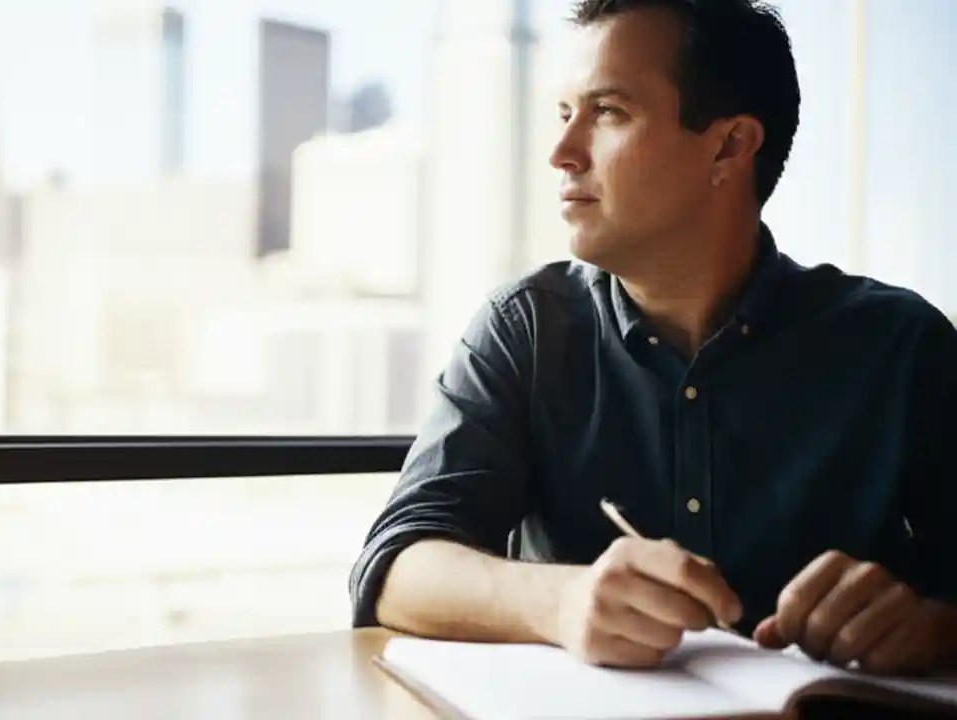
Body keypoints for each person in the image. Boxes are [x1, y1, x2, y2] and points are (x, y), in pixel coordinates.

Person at [350, 0, 957, 675]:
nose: (561, 152)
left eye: (607, 111)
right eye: (564, 113)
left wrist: (936, 626)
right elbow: (397, 567)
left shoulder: (903, 346)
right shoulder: (526, 328)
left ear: (728, 146)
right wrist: (561, 600)